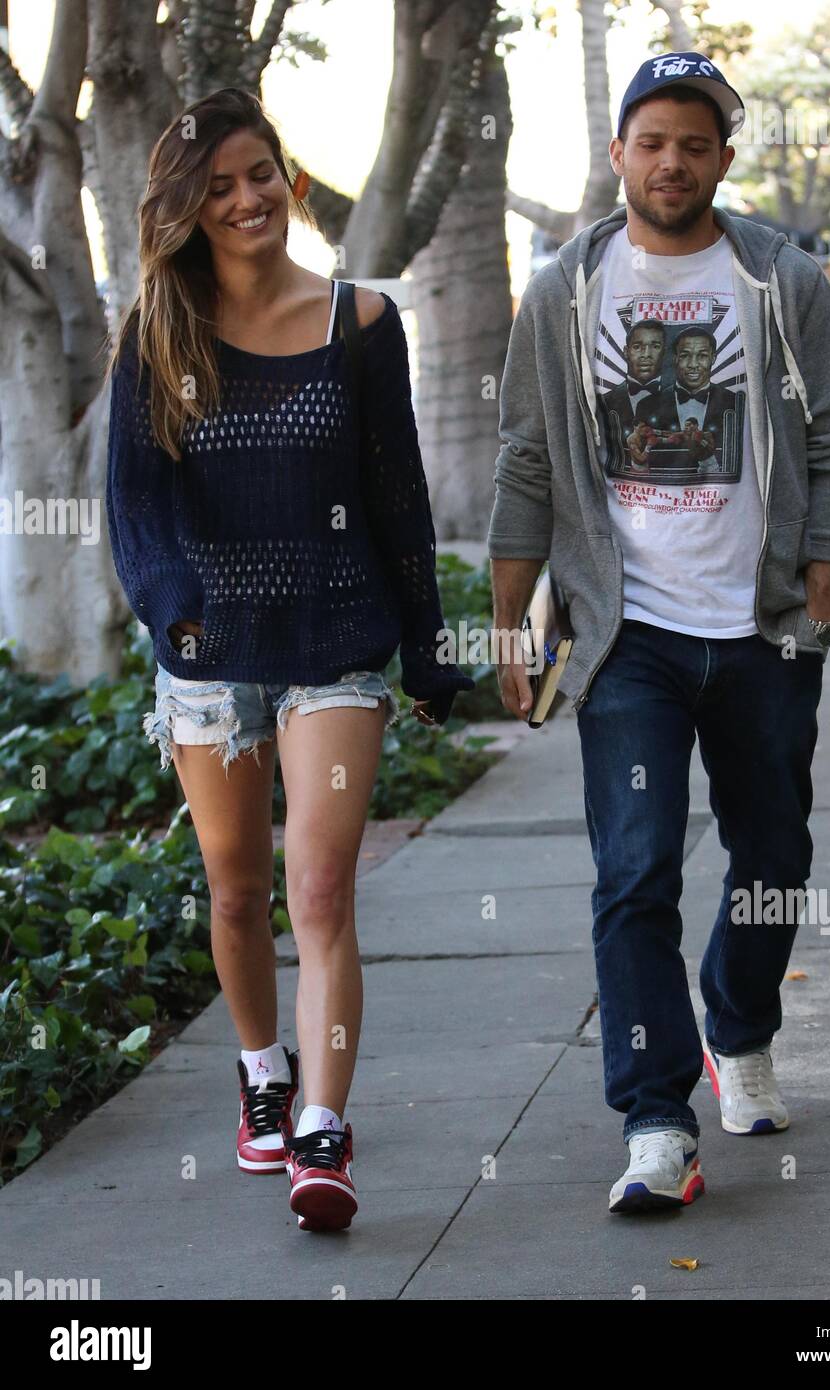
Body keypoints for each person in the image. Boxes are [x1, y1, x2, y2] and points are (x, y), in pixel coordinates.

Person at [487, 51, 830, 1214]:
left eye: (694, 144)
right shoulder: (562, 288)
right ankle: (657, 1117)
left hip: (762, 626)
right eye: (651, 141)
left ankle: (738, 1024)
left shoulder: (778, 278)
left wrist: (820, 585)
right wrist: (509, 627)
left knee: (775, 857)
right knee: (635, 870)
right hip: (627, 635)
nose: (671, 161)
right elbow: (526, 459)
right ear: (618, 154)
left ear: (723, 157)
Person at [104, 88, 473, 1233]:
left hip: (336, 643)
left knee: (318, 889)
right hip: (210, 653)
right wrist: (178, 616)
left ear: (289, 177)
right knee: (237, 888)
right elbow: (134, 506)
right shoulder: (156, 335)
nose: (246, 197)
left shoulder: (359, 323)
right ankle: (262, 1070)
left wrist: (429, 643)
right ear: (187, 209)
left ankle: (323, 1127)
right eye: (217, 185)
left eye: (260, 171)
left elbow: (397, 494)